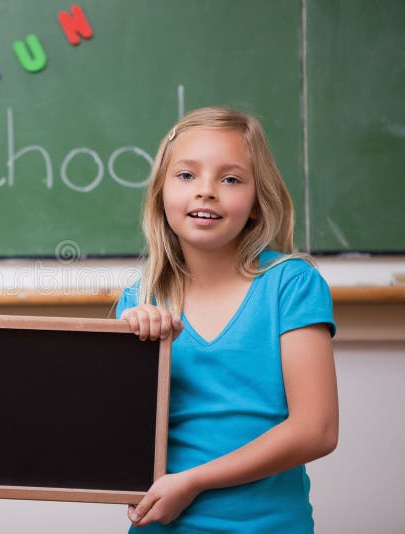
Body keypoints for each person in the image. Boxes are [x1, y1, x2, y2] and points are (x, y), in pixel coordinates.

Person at [117, 107, 338, 532]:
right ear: (161, 194)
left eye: (231, 179)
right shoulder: (139, 301)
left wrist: (193, 482)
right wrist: (131, 352)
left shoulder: (291, 284)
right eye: (186, 176)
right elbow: (116, 445)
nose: (206, 192)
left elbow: (318, 429)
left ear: (257, 202)